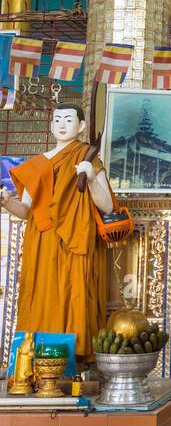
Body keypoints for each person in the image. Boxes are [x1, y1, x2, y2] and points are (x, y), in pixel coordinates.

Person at [1, 103, 115, 360]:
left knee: (74, 295)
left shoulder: (88, 158)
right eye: (57, 119)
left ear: (82, 126)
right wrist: (8, 203)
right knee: (41, 298)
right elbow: (27, 211)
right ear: (51, 125)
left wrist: (92, 177)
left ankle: (76, 361)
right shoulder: (38, 164)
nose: (62, 124)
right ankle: (35, 359)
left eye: (68, 119)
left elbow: (107, 205)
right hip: (42, 242)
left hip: (76, 240)